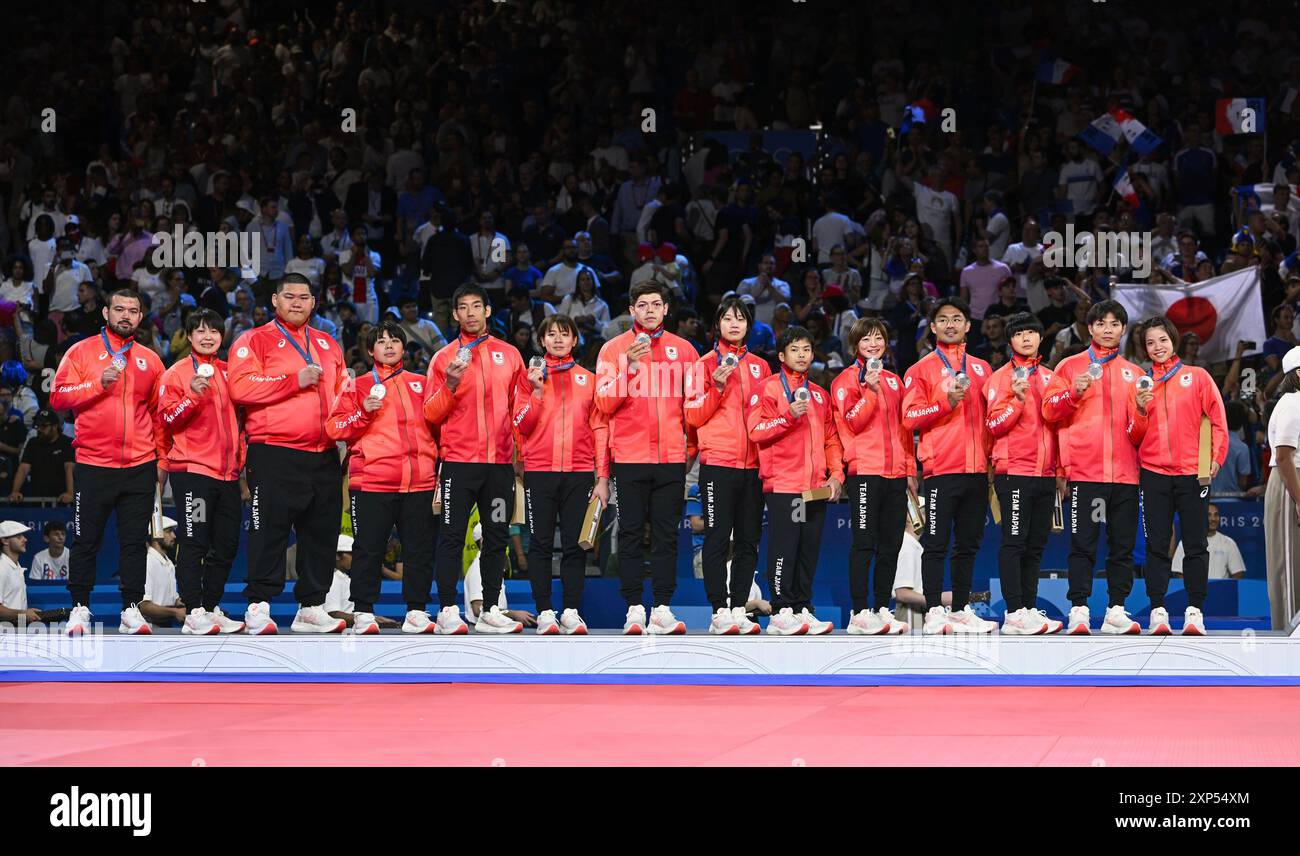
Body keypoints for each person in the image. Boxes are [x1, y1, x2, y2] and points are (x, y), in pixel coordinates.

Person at [228, 272, 349, 635]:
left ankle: (311, 606)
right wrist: (292, 380)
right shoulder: (254, 340)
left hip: (324, 452)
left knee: (321, 533)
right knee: (269, 531)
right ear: (275, 302)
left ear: (314, 303)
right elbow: (240, 386)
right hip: (274, 450)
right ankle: (258, 606)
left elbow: (342, 394)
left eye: (304, 297)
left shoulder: (329, 344)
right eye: (289, 296)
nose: (297, 302)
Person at [50, 288, 165, 636]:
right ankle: (80, 608)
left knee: (134, 543)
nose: (125, 315)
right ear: (105, 313)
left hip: (140, 465)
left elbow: (159, 415)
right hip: (93, 464)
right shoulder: (81, 351)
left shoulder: (150, 359)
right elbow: (58, 398)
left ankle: (131, 609)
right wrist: (97, 384)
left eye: (133, 310)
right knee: (86, 541)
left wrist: (160, 463)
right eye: (119, 309)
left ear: (141, 317)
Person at [424, 283, 527, 634]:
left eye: (476, 306)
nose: (470, 313)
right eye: (462, 307)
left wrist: (519, 454)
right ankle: (448, 609)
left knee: (497, 536)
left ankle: (491, 609)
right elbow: (431, 414)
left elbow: (519, 410)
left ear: (487, 311)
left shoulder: (510, 355)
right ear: (454, 314)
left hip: (498, 466)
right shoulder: (443, 359)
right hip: (458, 464)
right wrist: (450, 384)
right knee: (451, 535)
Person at [595, 280, 697, 634]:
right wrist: (628, 368)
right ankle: (635, 608)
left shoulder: (684, 351)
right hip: (629, 456)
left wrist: (691, 449)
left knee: (668, 535)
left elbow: (695, 407)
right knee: (631, 533)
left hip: (671, 457)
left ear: (666, 309)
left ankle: (663, 608)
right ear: (631, 310)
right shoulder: (613, 349)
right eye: (643, 305)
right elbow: (603, 404)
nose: (650, 310)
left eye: (656, 304)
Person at [1041, 300, 1149, 635]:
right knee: (1083, 545)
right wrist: (1073, 393)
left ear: (1122, 330)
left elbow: (1139, 433)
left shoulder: (1136, 374)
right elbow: (1049, 412)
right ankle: (1079, 609)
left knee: (1122, 546)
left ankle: (1117, 609)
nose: (1107, 329)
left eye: (1114, 324)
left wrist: (1143, 414)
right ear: (1090, 328)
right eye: (1101, 323)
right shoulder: (1069, 367)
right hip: (1085, 474)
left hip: (1126, 476)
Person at [327, 320, 440, 634]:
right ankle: (363, 611)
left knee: (419, 550)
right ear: (370, 349)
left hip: (419, 480)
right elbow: (335, 428)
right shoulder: (357, 385)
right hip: (373, 480)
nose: (388, 345)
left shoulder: (422, 382)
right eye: (381, 341)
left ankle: (417, 610)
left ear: (404, 348)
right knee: (368, 548)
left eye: (394, 340)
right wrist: (362, 410)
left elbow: (439, 426)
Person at [902, 297, 999, 634]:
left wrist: (992, 461)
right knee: (937, 542)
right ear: (932, 327)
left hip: (976, 471)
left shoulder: (983, 369)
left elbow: (991, 420)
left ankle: (959, 609)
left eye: (957, 319)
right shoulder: (920, 370)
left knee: (968, 544)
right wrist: (946, 403)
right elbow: (910, 417)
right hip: (942, 468)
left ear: (968, 325)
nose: (951, 325)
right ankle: (932, 612)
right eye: (943, 320)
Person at [513, 314, 611, 635]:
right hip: (539, 472)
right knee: (539, 544)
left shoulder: (589, 379)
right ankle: (544, 612)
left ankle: (570, 610)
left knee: (575, 544)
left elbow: (599, 428)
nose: (557, 339)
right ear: (541, 341)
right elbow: (521, 425)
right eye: (551, 334)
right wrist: (537, 390)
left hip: (579, 472)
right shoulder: (528, 379)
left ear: (574, 340)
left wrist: (601, 477)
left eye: (564, 334)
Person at [1134, 316, 1229, 636]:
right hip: (1152, 474)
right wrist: (1139, 410)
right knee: (1156, 545)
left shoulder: (1197, 376)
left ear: (1173, 340)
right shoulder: (1141, 382)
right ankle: (1158, 610)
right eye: (1150, 342)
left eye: (1162, 339)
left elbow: (1218, 419)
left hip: (1193, 475)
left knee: (1195, 543)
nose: (1157, 347)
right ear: (1144, 348)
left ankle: (1195, 611)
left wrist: (1215, 459)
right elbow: (1130, 432)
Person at [747, 325, 844, 635]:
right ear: (781, 356)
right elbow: (756, 432)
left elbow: (831, 439)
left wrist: (836, 474)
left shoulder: (820, 395)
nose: (801, 355)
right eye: (794, 350)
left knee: (807, 549)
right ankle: (780, 610)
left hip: (813, 488)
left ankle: (803, 607)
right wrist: (787, 415)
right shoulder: (768, 389)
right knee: (785, 547)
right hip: (785, 485)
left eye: (806, 350)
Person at [683, 296, 770, 635]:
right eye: (728, 318)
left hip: (753, 466)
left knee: (749, 540)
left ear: (749, 326)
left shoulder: (761, 368)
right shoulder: (703, 365)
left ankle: (738, 608)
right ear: (717, 324)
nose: (734, 324)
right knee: (718, 538)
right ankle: (718, 610)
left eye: (741, 319)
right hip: (718, 462)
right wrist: (717, 388)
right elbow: (692, 415)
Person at [157, 309, 247, 636]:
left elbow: (240, 423)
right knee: (195, 541)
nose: (208, 336)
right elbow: (167, 420)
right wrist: (193, 394)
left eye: (214, 331)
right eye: (200, 331)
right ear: (190, 336)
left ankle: (211, 607)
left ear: (222, 336)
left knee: (226, 546)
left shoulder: (229, 372)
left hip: (227, 476)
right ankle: (193, 611)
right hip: (193, 471)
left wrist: (241, 461)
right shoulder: (176, 373)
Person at [831, 317, 914, 635]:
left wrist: (909, 468)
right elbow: (852, 422)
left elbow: (904, 429)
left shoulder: (895, 381)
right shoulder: (845, 381)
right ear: (856, 346)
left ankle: (882, 608)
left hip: (895, 473)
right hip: (864, 471)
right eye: (866, 339)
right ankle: (858, 612)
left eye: (878, 338)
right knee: (864, 544)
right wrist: (869, 390)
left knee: (891, 545)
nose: (873, 344)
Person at [984, 313, 1064, 635]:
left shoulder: (1051, 377)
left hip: (1045, 475)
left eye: (1032, 332)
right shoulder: (999, 379)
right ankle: (1013, 612)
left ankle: (1028, 609)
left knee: (1035, 545)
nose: (1027, 338)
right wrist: (1017, 401)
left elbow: (1060, 426)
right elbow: (993, 425)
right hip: (1014, 471)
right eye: (1020, 333)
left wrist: (1060, 470)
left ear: (1040, 338)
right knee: (1014, 542)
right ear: (1010, 341)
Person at [1265, 346, 1300, 629]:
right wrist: (1298, 499)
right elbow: (1283, 455)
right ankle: (1288, 633)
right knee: (1288, 565)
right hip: (1290, 482)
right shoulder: (1292, 402)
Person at [324, 534, 401, 629]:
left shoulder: (345, 577)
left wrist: (374, 619)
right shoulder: (333, 578)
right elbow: (332, 614)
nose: (356, 558)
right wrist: (372, 620)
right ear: (337, 556)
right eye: (352, 554)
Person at [7, 409, 73, 504]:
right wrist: (15, 491)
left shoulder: (67, 443)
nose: (38, 429)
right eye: (37, 426)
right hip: (36, 498)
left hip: (61, 499)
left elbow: (69, 468)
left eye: (43, 426)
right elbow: (23, 469)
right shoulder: (33, 443)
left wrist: (70, 493)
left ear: (54, 426)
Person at [1172, 504, 1245, 581]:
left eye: (1216, 515)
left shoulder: (1229, 543)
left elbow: (1238, 573)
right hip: (1194, 591)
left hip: (1221, 590)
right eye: (1209, 515)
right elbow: (1179, 572)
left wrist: (1227, 590)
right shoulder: (1186, 543)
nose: (1213, 519)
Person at [141, 517, 187, 627]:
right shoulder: (148, 562)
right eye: (169, 532)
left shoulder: (169, 563)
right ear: (156, 535)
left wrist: (196, 606)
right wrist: (175, 612)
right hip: (149, 627)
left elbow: (174, 599)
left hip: (164, 625)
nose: (174, 536)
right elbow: (144, 606)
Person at [0, 521, 39, 626]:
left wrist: (26, 613)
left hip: (13, 632)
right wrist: (23, 613)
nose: (25, 539)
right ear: (5, 541)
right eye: (18, 537)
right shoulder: (1, 568)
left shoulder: (16, 566)